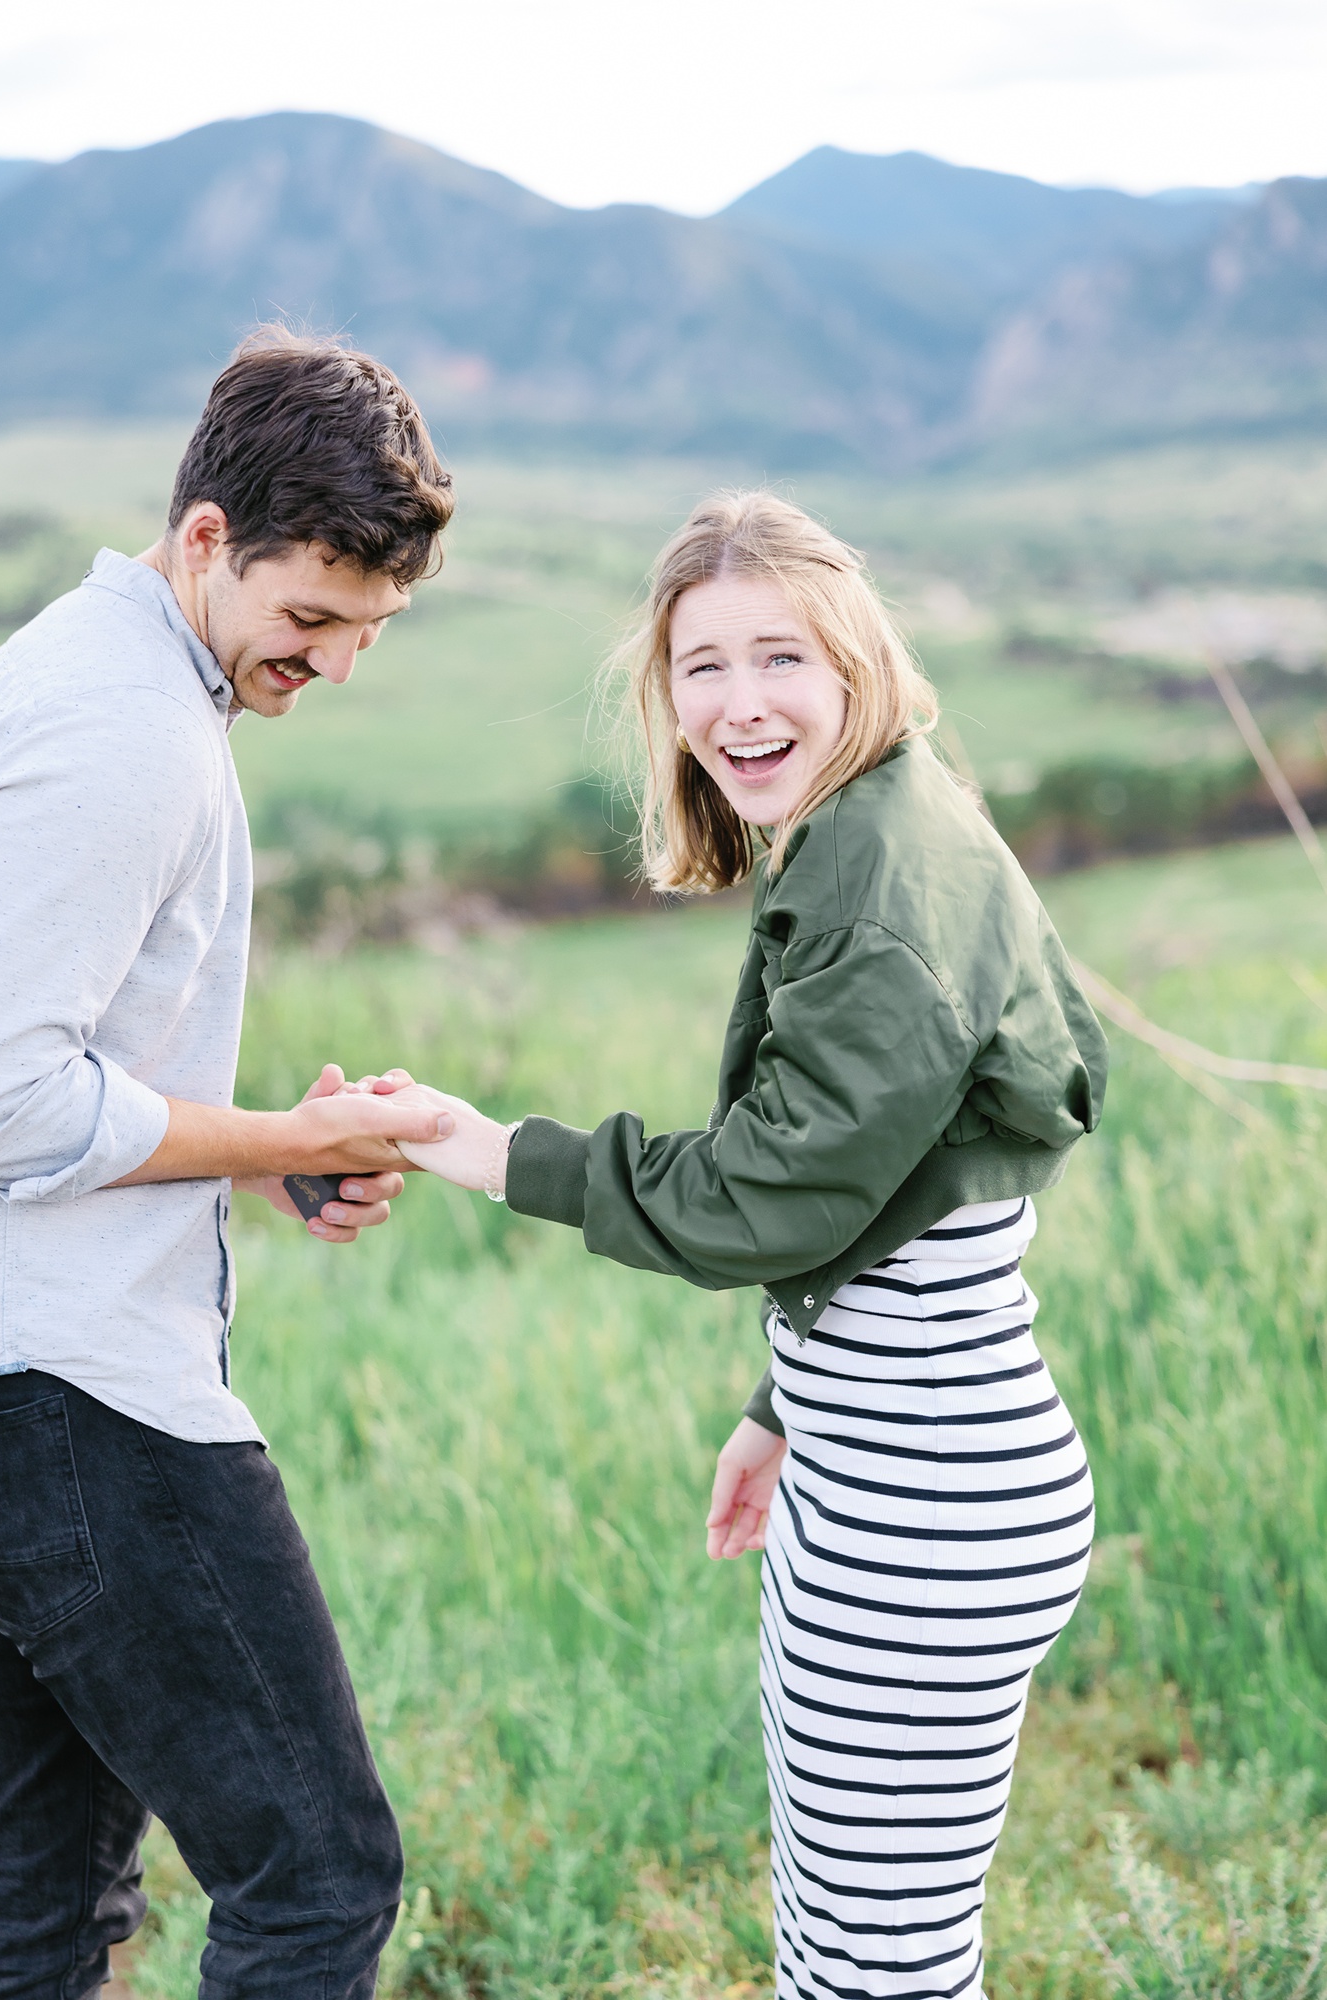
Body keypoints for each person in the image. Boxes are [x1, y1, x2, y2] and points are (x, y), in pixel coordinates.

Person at [389, 492, 1107, 2000]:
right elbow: (898, 1187)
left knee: (874, 1970)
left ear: (853, 657)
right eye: (698, 666)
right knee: (851, 1948)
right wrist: (789, 1406)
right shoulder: (865, 827)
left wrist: (489, 1150)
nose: (736, 703)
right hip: (893, 1466)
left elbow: (774, 1192)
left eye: (776, 656)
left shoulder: (875, 880)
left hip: (924, 1513)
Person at [0, 328, 457, 2000]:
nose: (331, 665)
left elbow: (40, 1065)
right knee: (315, 1880)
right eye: (310, 617)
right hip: (60, 1401)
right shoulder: (128, 730)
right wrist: (278, 1136)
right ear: (204, 540)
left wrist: (253, 1158)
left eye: (365, 631)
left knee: (43, 1907)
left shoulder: (81, 662)